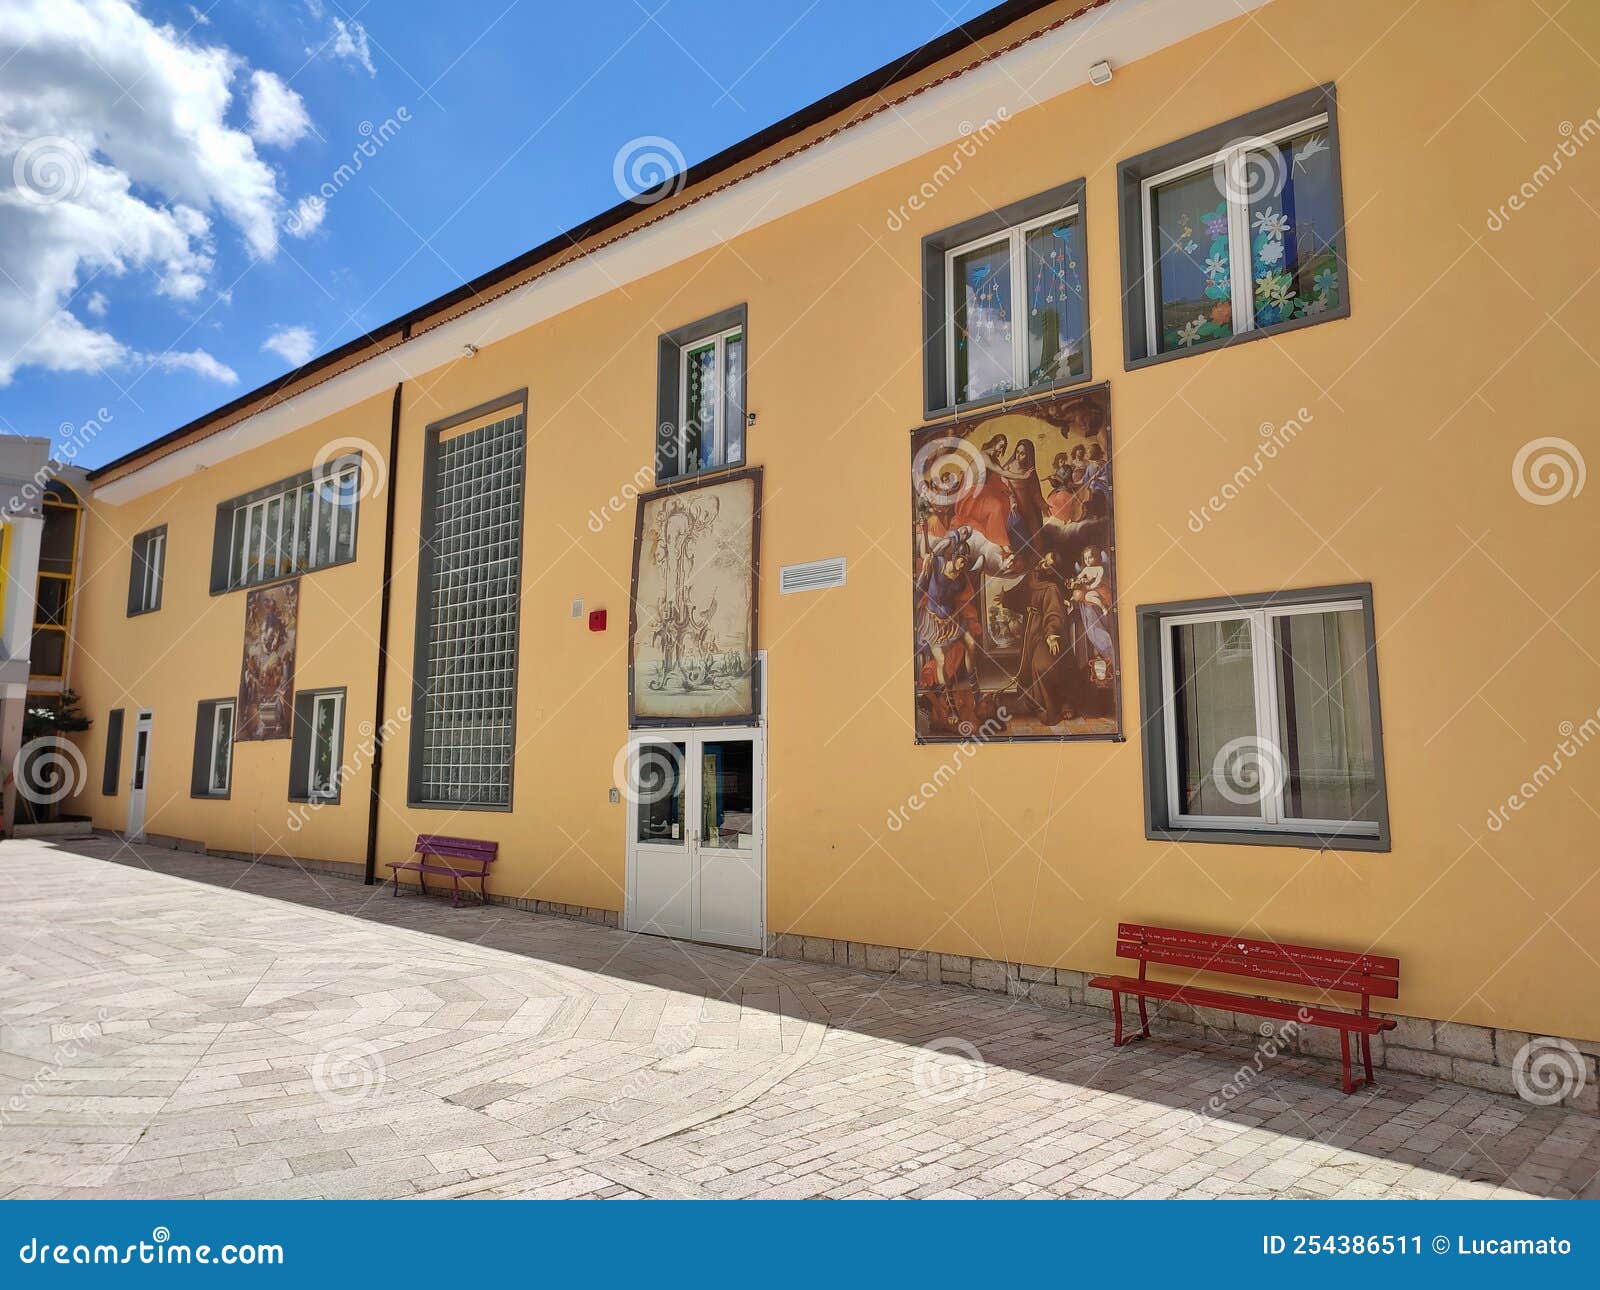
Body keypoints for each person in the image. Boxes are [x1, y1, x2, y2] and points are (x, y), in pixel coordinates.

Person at [1012, 551, 1082, 726]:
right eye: (1044, 559)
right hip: (1031, 632)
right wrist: (1007, 598)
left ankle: (1051, 707)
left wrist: (1051, 634)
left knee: (1043, 665)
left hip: (1047, 634)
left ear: (1051, 571)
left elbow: (1054, 613)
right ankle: (1041, 704)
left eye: (1047, 563)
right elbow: (1019, 593)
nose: (1042, 563)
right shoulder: (1031, 578)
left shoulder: (1051, 588)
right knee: (1029, 667)